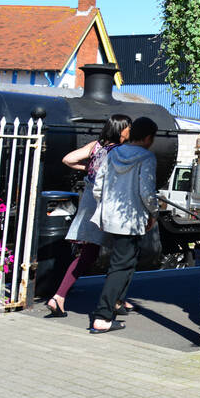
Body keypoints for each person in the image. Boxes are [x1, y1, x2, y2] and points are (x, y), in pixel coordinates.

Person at [44, 114, 132, 318]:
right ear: (120, 129)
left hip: (89, 203)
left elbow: (68, 159)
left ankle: (59, 297)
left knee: (88, 254)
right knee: (123, 254)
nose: (130, 130)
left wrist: (88, 167)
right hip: (108, 206)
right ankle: (115, 300)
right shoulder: (121, 151)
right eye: (128, 127)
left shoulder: (95, 146)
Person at [88, 116, 160, 333]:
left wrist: (104, 209)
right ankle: (102, 316)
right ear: (148, 137)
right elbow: (147, 192)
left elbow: (98, 186)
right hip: (131, 219)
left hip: (111, 217)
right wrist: (154, 213)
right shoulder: (146, 158)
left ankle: (118, 302)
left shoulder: (113, 153)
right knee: (120, 266)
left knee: (127, 261)